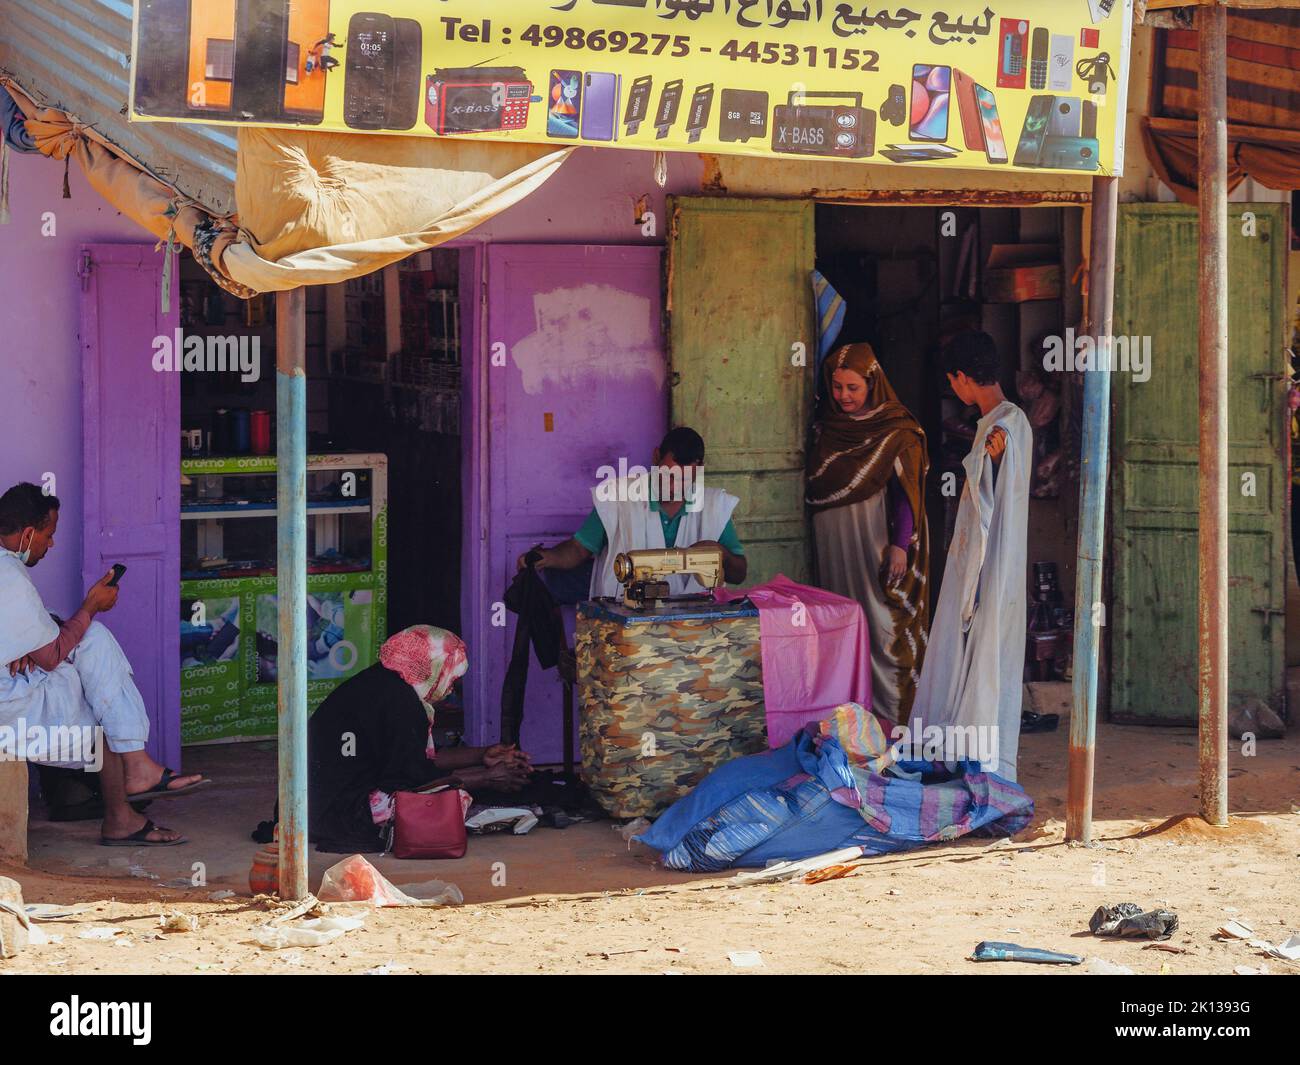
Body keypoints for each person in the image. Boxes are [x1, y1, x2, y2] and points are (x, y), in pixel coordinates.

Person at [0, 483, 208, 846]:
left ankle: (135, 768)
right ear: (28, 532)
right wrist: (91, 605)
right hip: (9, 706)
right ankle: (129, 786)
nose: (50, 545)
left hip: (16, 686)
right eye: (47, 536)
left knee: (91, 649)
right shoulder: (9, 576)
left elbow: (37, 634)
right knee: (97, 700)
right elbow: (50, 656)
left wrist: (30, 642)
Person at [909, 332, 1032, 780]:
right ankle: (956, 757)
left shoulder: (1006, 423)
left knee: (985, 657)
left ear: (962, 378)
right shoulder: (996, 423)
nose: (955, 390)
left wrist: (994, 451)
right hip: (976, 566)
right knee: (963, 657)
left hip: (990, 567)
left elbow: (997, 480)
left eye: (953, 383)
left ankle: (984, 767)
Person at [308, 624, 533, 853]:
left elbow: (415, 760)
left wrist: (482, 755)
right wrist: (486, 778)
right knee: (443, 803)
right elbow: (413, 782)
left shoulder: (382, 682)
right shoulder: (401, 703)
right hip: (338, 813)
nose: (449, 690)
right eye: (451, 679)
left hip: (315, 807)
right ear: (433, 668)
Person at [806, 343, 930, 724]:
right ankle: (850, 721)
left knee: (880, 623)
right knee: (839, 624)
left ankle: (892, 720)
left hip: (873, 538)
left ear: (872, 385)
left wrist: (899, 545)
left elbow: (906, 493)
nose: (843, 396)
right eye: (838, 387)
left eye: (852, 388)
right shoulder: (826, 425)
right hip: (833, 544)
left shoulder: (897, 429)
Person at [518, 426, 748, 596]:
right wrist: (547, 558)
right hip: (625, 622)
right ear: (656, 457)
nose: (675, 487)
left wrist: (719, 552)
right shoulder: (619, 497)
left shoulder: (713, 507)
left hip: (691, 630)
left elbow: (739, 574)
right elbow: (579, 549)